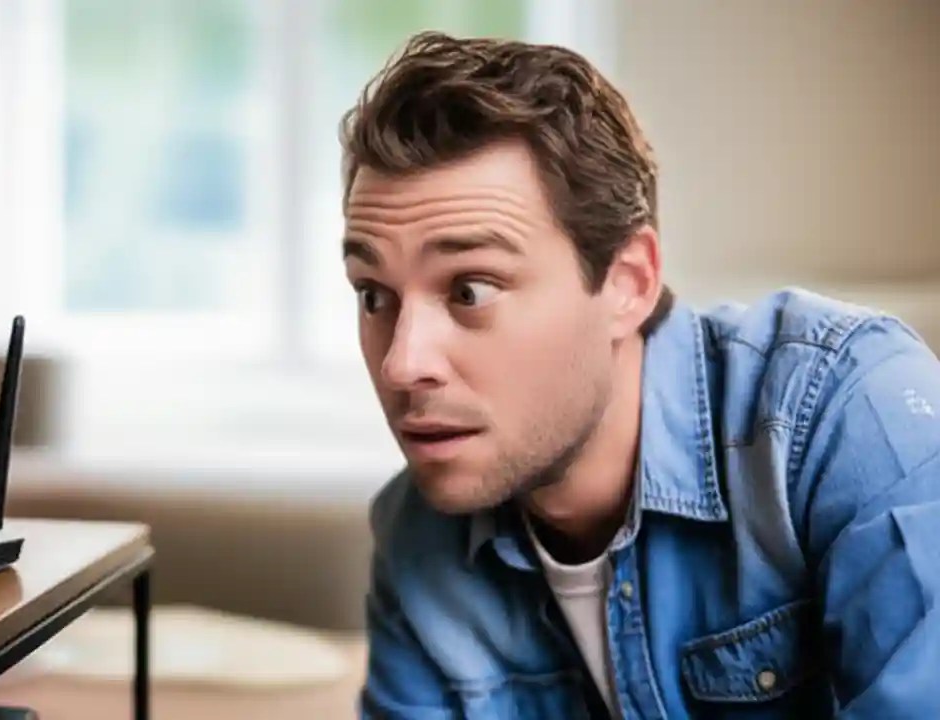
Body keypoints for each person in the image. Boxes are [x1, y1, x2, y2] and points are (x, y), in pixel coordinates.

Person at [341, 31, 940, 719]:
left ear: (629, 283)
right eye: (373, 295)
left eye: (470, 290)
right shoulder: (418, 541)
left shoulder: (852, 413)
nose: (402, 363)